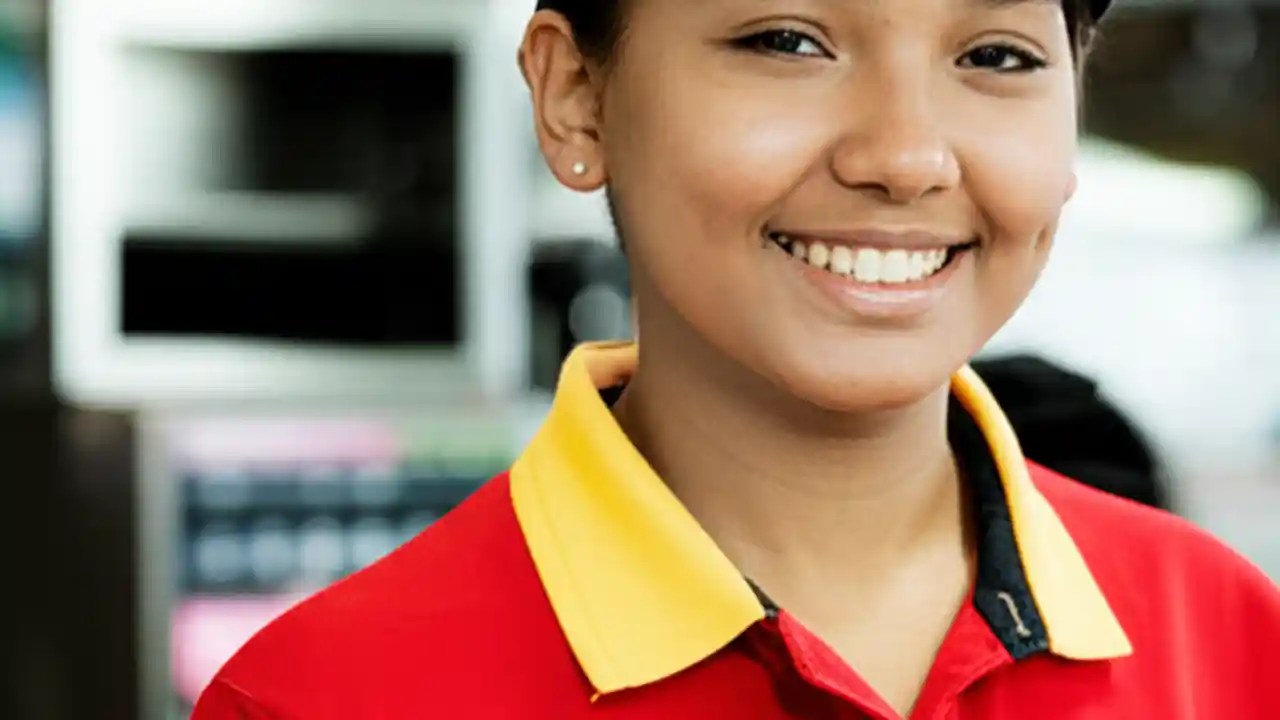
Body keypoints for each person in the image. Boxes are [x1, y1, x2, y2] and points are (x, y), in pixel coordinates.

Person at [192, 0, 1280, 718]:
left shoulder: (1225, 641)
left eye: (994, 57)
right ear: (574, 92)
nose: (901, 156)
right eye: (786, 40)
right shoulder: (321, 696)